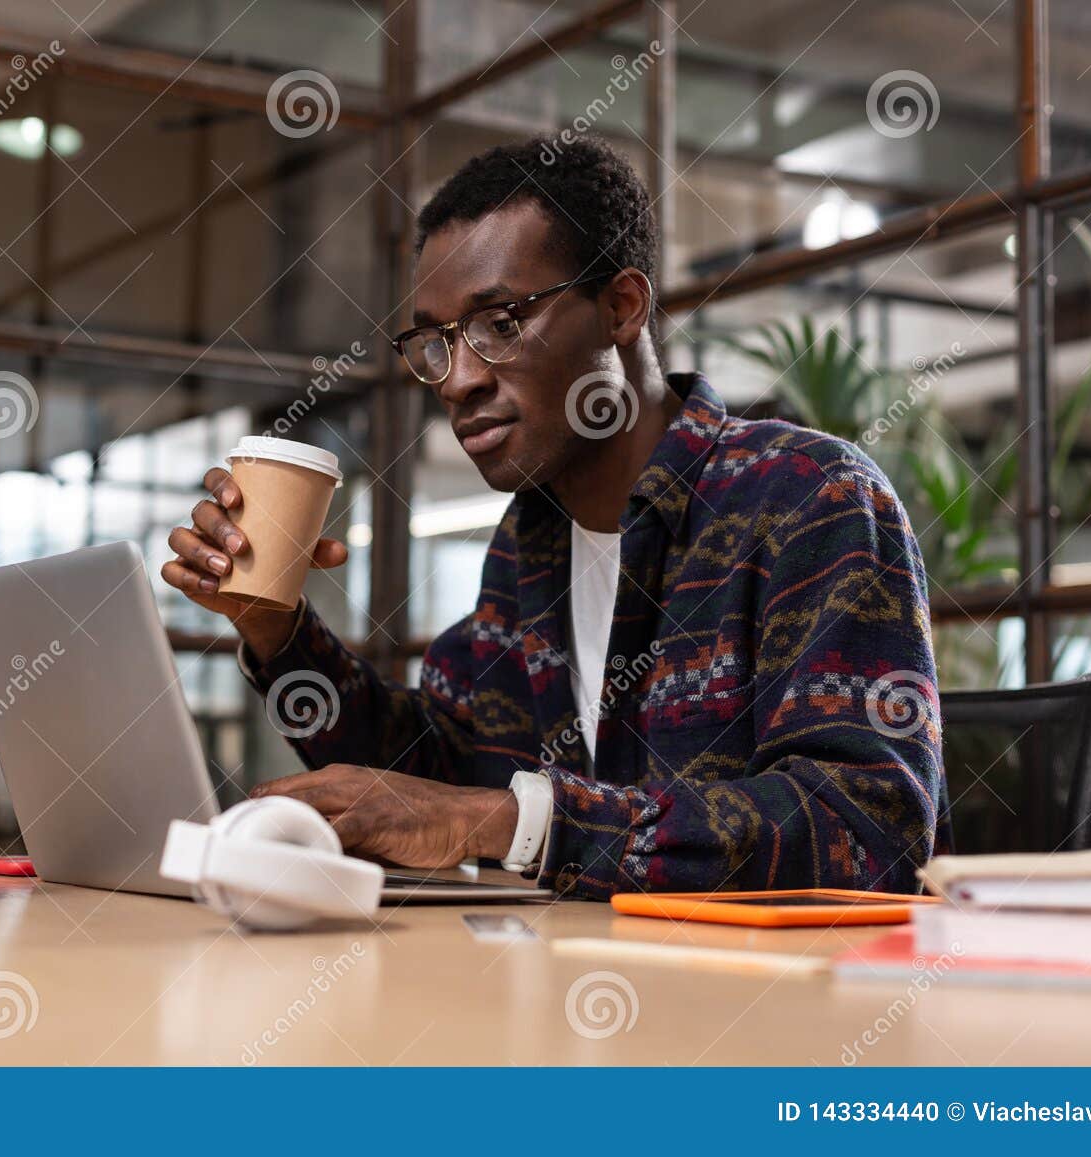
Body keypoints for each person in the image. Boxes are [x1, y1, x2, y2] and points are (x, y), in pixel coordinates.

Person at [162, 134, 943, 900]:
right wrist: (274, 626)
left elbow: (867, 828)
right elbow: (433, 779)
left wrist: (512, 821)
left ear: (621, 307)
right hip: (576, 997)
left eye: (500, 322)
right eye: (434, 342)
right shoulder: (529, 541)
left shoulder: (810, 497)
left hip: (769, 1017)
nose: (458, 379)